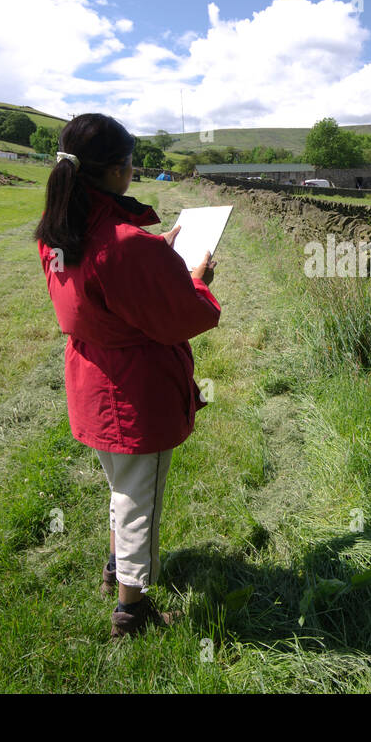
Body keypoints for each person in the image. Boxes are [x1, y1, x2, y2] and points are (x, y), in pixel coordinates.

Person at [34, 113, 221, 638]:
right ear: (118, 170)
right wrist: (196, 279)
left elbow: (104, 281)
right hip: (135, 392)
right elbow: (183, 315)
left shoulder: (57, 235)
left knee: (120, 489)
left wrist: (154, 252)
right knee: (141, 501)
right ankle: (130, 612)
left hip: (91, 381)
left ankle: (114, 572)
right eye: (132, 163)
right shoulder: (125, 246)